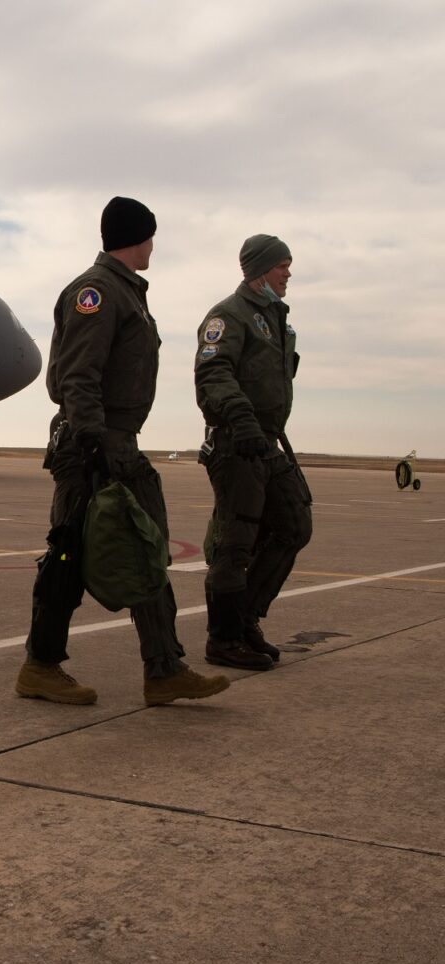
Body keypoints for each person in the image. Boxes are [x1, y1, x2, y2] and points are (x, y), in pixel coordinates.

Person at [17, 196, 232, 707]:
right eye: (151, 235)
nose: (154, 244)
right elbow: (78, 375)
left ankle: (164, 669)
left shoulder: (127, 293)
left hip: (118, 442)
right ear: (138, 237)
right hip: (91, 443)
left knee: (147, 549)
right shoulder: (97, 292)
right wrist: (92, 443)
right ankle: (40, 667)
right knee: (69, 554)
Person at [194, 235, 313, 668]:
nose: (288, 273)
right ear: (260, 269)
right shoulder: (229, 315)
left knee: (294, 524)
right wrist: (240, 418)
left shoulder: (276, 319)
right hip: (236, 442)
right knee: (235, 542)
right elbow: (214, 371)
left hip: (267, 441)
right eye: (283, 265)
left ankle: (245, 619)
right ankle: (224, 641)